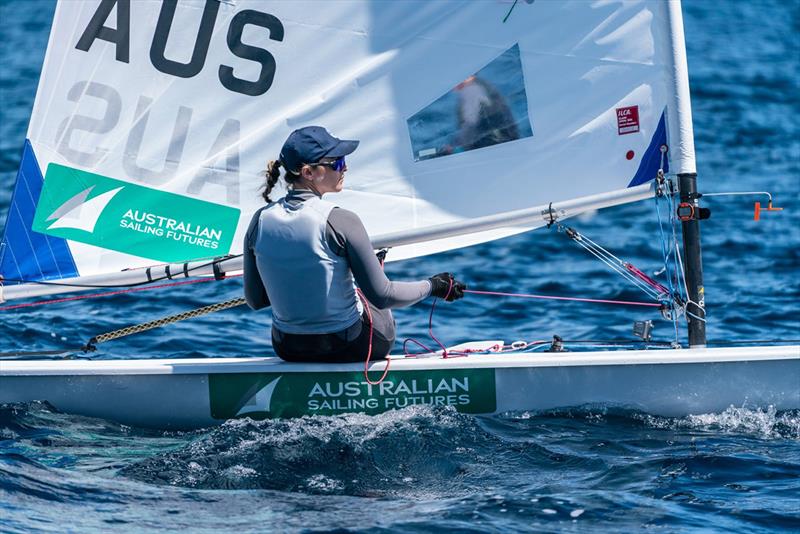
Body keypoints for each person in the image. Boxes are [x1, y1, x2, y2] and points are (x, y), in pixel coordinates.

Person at [243, 126, 466, 363]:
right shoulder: (342, 219)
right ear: (308, 172)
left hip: (287, 347)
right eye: (337, 163)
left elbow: (256, 301)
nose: (345, 167)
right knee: (372, 290)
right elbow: (384, 296)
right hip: (348, 346)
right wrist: (435, 286)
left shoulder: (259, 220)